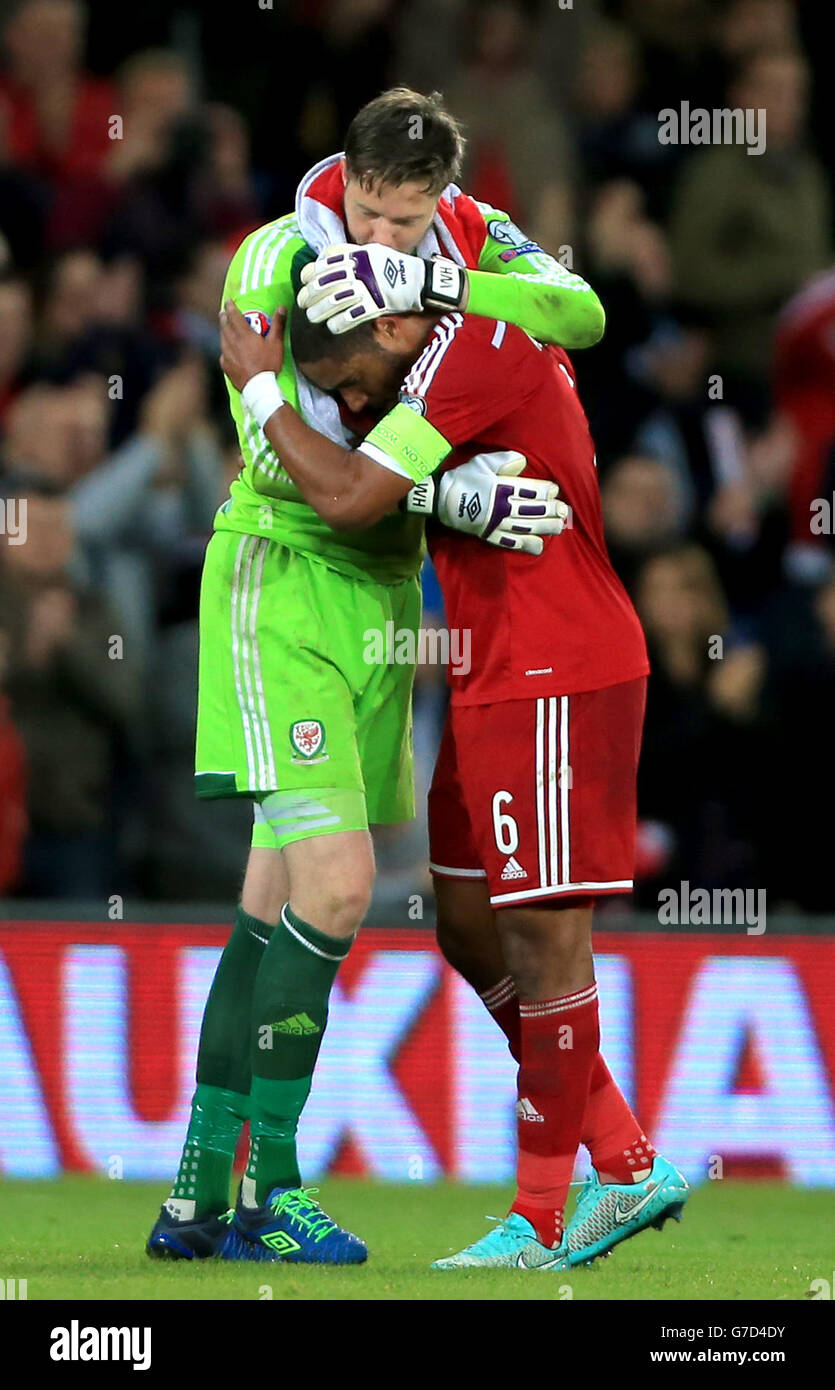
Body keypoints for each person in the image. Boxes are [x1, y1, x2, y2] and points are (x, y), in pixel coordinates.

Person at [147, 85, 600, 1265]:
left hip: (387, 598)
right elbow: (269, 440)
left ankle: (199, 1190)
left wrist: (436, 279)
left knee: (269, 907)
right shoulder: (273, 256)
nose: (383, 237)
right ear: (344, 178)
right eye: (373, 213)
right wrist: (451, 493)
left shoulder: (458, 238)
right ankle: (276, 1186)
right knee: (341, 888)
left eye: (409, 221)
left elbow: (580, 312)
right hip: (284, 579)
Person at [213, 273, 690, 1271]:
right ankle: (623, 1153)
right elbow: (384, 479)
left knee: (545, 938)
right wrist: (446, 492)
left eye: (349, 384)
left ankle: (542, 1217)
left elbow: (347, 495)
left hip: (554, 667)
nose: (350, 408)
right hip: (488, 670)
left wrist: (261, 389)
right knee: (469, 927)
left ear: (396, 316)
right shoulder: (429, 370)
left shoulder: (474, 345)